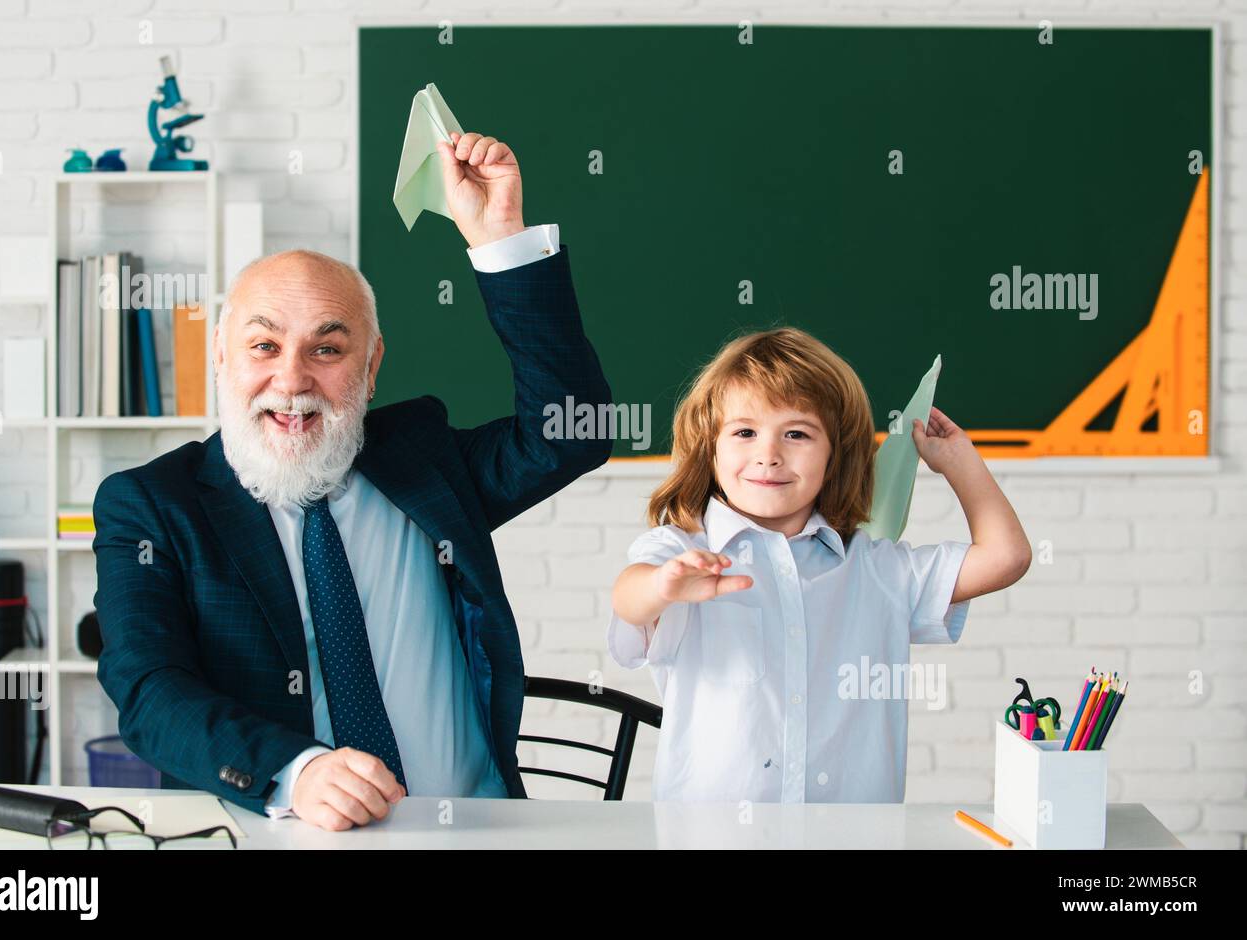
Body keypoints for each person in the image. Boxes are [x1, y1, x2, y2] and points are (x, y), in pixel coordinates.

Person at [93, 130, 611, 830]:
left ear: (370, 369)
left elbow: (568, 431)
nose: (292, 379)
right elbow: (150, 691)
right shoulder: (153, 507)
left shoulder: (422, 460)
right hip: (290, 835)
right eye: (264, 345)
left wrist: (500, 239)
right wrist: (296, 772)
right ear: (222, 357)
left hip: (477, 830)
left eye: (327, 349)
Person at [608, 327, 1031, 802]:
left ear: (834, 456)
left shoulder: (877, 569)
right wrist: (664, 585)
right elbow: (630, 598)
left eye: (797, 434)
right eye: (745, 432)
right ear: (710, 447)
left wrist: (960, 462)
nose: (768, 454)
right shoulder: (682, 551)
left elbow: (1006, 557)